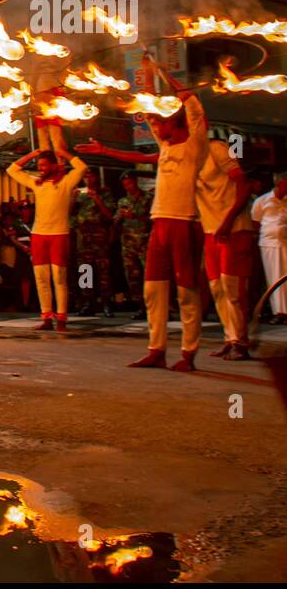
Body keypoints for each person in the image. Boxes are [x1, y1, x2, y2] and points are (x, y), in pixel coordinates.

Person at [76, 57, 207, 371]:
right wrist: (147, 76)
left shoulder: (195, 145)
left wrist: (165, 73)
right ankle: (157, 349)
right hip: (158, 224)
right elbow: (146, 116)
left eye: (161, 122)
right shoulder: (164, 147)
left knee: (187, 292)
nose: (155, 126)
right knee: (152, 290)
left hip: (183, 222)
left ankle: (188, 353)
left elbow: (193, 103)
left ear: (176, 124)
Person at [6, 147, 86, 331]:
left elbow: (81, 167)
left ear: (53, 165)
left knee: (59, 277)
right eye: (39, 165)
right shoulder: (37, 183)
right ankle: (47, 316)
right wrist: (32, 155)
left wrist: (63, 153)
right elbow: (11, 170)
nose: (40, 168)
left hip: (59, 234)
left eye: (43, 165)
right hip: (39, 234)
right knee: (41, 277)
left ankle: (62, 318)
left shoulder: (66, 182)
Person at [196, 138, 257, 359]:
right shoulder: (186, 155)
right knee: (217, 289)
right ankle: (230, 337)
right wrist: (106, 151)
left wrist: (228, 220)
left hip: (234, 229)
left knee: (234, 289)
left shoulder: (216, 148)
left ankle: (241, 343)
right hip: (211, 231)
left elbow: (244, 184)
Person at [71, 169, 116, 317]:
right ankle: (88, 302)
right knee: (85, 271)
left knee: (104, 272)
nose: (87, 179)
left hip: (99, 238)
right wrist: (72, 198)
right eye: (85, 176)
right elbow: (68, 213)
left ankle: (106, 303)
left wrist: (97, 199)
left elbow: (110, 215)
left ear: (96, 177)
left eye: (90, 176)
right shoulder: (80, 196)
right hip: (83, 239)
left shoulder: (105, 193)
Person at [250, 171, 287, 325]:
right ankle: (279, 312)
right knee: (274, 277)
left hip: (285, 243)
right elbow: (255, 223)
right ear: (279, 183)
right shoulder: (262, 201)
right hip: (268, 244)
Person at [114, 172, 153, 319]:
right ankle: (141, 307)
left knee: (150, 277)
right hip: (128, 244)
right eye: (125, 185)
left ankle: (158, 306)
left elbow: (154, 219)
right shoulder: (123, 201)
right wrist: (119, 218)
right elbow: (115, 221)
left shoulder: (148, 198)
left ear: (135, 182)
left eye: (130, 183)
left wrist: (135, 216)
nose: (128, 187)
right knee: (133, 277)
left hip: (145, 242)